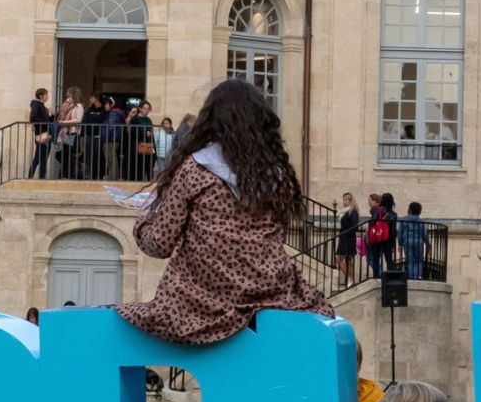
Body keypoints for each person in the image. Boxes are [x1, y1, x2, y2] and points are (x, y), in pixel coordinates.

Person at [115, 77, 334, 346]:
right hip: (270, 297)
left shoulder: (195, 171)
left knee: (118, 319)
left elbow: (159, 245)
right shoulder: (277, 177)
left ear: (211, 121)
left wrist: (144, 220)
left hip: (201, 307)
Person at [27, 88, 55, 179]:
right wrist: (45, 121)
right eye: (46, 94)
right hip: (41, 135)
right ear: (41, 96)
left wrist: (52, 115)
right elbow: (32, 118)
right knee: (40, 159)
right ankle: (39, 178)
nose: (48, 96)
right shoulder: (36, 105)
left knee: (40, 158)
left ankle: (33, 177)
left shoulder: (42, 106)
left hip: (45, 135)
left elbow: (48, 121)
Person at [55, 88, 84, 178]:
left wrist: (65, 123)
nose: (69, 98)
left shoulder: (79, 106)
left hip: (73, 133)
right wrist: (66, 103)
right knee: (62, 154)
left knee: (67, 155)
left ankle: (66, 175)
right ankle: (65, 174)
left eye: (70, 96)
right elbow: (61, 115)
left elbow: (78, 120)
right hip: (66, 133)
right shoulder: (70, 106)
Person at [367, 193, 398, 273]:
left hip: (377, 237)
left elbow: (372, 223)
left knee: (376, 259)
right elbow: (393, 231)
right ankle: (393, 278)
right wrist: (393, 244)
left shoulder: (378, 209)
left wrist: (370, 236)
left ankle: (377, 278)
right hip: (387, 239)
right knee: (389, 260)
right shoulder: (394, 214)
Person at [400, 202, 429, 281]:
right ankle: (419, 276)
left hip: (407, 241)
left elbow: (400, 232)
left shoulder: (403, 220)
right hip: (418, 242)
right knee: (419, 260)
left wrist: (400, 243)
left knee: (410, 261)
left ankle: (412, 276)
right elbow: (424, 233)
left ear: (410, 210)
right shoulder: (421, 221)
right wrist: (428, 244)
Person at [335, 193, 360, 284]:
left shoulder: (352, 212)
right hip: (343, 238)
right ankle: (351, 279)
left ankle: (351, 279)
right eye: (343, 200)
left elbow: (355, 227)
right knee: (344, 260)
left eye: (346, 200)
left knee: (345, 260)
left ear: (350, 201)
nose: (344, 202)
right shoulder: (345, 211)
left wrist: (345, 233)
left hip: (348, 239)